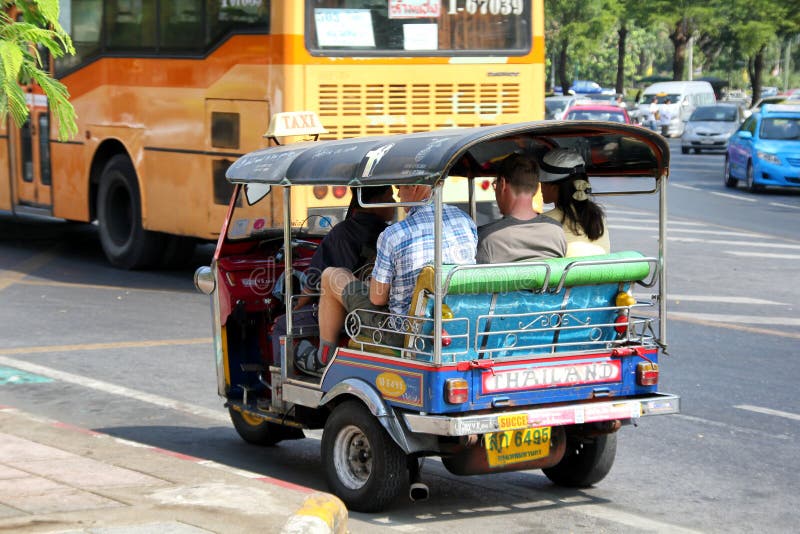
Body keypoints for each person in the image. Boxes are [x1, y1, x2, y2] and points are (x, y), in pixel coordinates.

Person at [297, 184, 477, 374]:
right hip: (457, 323)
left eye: (400, 186)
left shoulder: (394, 235)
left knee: (330, 276)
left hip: (403, 333)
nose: (399, 193)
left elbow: (377, 299)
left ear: (415, 186)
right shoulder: (465, 221)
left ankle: (324, 357)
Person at [272, 185, 395, 369]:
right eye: (391, 197)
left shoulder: (342, 233)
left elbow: (312, 285)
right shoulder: (390, 234)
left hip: (346, 311)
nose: (394, 203)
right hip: (379, 309)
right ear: (376, 201)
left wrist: (294, 308)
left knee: (282, 326)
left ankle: (286, 387)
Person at [476, 154, 566, 263]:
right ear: (537, 188)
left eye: (495, 184)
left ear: (503, 185)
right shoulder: (557, 232)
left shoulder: (486, 238)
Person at [539, 148, 610, 257]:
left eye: (542, 182)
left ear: (554, 187)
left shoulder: (543, 222)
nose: (540, 186)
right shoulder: (598, 216)